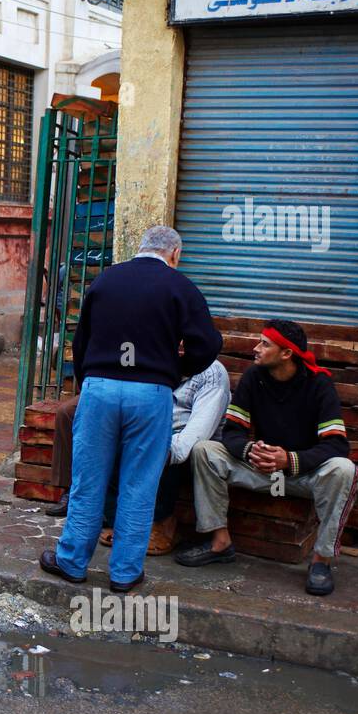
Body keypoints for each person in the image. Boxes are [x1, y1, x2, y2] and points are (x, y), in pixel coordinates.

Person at [39, 225, 222, 593]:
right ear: (174, 255)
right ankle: (124, 574)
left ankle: (72, 561)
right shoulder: (180, 286)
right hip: (150, 393)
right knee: (139, 485)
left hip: (99, 390)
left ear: (139, 248)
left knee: (88, 481)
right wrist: (175, 371)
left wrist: (94, 378)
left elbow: (81, 340)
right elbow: (208, 344)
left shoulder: (106, 280)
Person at [176, 320, 356, 597]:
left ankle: (321, 561)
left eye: (264, 344)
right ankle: (220, 542)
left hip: (301, 474)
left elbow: (336, 445)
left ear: (286, 353)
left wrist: (291, 459)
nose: (255, 348)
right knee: (205, 450)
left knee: (344, 469)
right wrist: (251, 450)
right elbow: (233, 432)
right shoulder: (254, 377)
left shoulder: (319, 384)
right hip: (260, 468)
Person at [94, 358, 231, 554]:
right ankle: (117, 520)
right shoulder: (153, 359)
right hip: (149, 430)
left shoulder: (212, 372)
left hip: (186, 441)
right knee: (113, 437)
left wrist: (163, 449)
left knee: (165, 447)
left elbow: (199, 429)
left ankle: (161, 523)